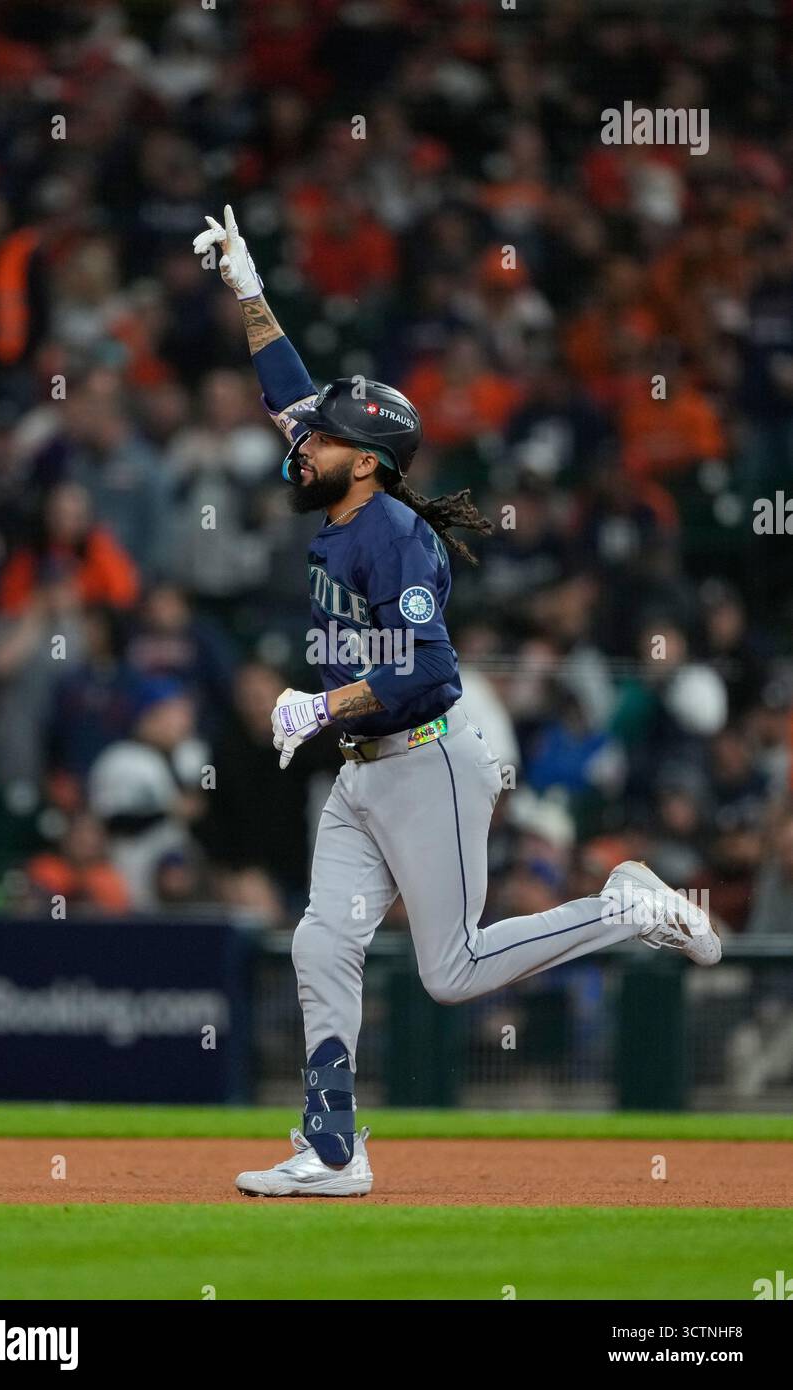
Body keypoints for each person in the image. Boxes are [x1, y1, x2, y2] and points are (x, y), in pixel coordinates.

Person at [193, 207, 722, 1199]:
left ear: (365, 458)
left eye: (320, 439)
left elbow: (431, 671)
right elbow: (285, 390)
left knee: (450, 969)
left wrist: (319, 705)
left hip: (427, 756)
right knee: (322, 937)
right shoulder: (349, 494)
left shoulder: (393, 534)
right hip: (367, 771)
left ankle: (621, 906)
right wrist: (248, 289)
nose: (297, 444)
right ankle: (334, 1150)